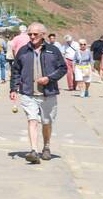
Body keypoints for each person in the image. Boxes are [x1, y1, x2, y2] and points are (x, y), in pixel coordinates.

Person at [10, 22, 68, 164]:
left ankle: (46, 147)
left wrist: (49, 78)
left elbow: (63, 68)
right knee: (32, 120)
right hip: (28, 93)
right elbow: (15, 71)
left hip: (48, 93)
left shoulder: (53, 50)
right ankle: (34, 151)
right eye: (30, 34)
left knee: (46, 122)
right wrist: (13, 88)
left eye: (35, 34)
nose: (32, 36)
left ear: (43, 34)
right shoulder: (23, 51)